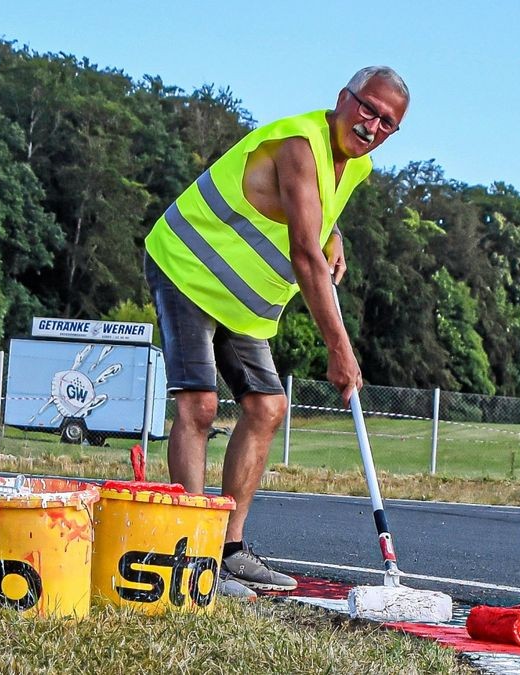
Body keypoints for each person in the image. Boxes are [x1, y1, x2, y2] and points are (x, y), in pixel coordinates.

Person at [143, 67, 409, 597]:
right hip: (188, 269)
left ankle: (229, 551)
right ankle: (192, 559)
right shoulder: (299, 144)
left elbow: (314, 215)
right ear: (343, 98)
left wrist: (334, 232)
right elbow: (305, 257)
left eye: (387, 121)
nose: (372, 124)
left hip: (243, 303)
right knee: (198, 406)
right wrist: (340, 349)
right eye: (367, 108)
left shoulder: (354, 166)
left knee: (267, 408)